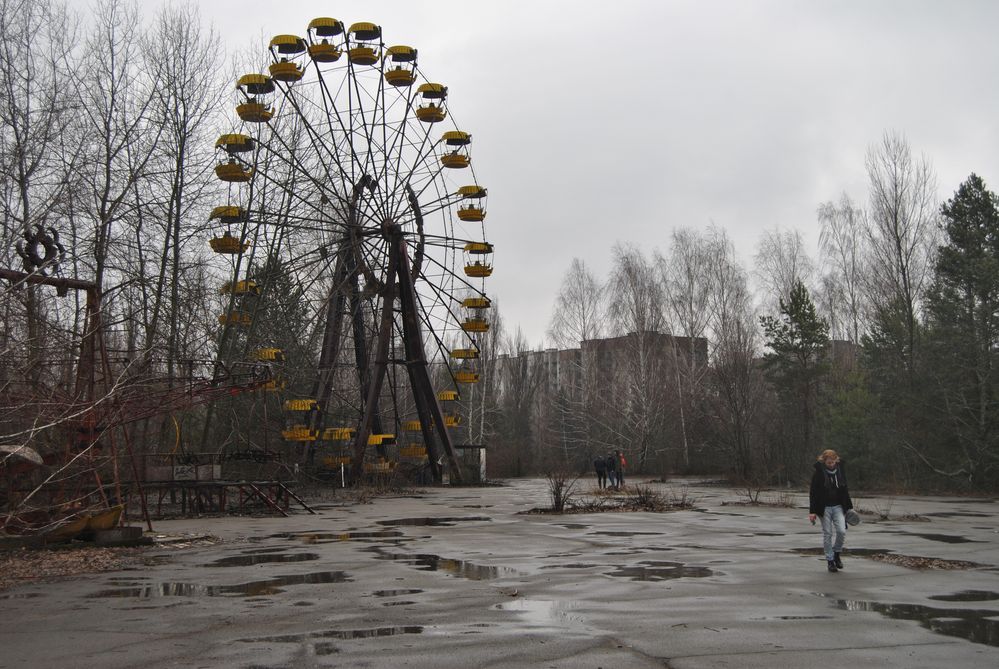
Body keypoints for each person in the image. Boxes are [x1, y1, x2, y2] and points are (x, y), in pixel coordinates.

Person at [808, 449, 854, 572]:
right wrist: (812, 511)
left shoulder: (840, 470)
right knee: (827, 533)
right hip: (824, 508)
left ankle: (837, 554)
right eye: (829, 463)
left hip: (838, 506)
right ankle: (830, 561)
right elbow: (813, 493)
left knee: (841, 531)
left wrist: (849, 508)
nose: (831, 464)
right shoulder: (818, 473)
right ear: (824, 461)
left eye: (833, 462)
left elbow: (845, 489)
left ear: (836, 460)